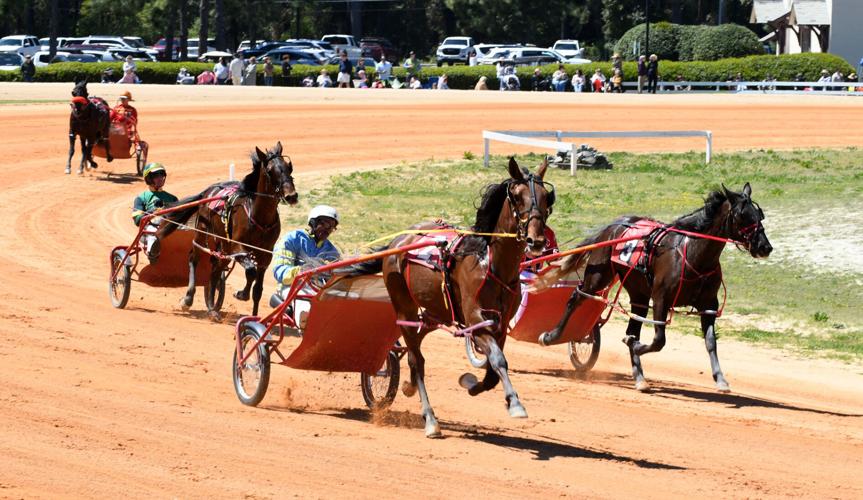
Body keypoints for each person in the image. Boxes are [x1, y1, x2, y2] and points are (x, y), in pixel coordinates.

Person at [272, 205, 341, 323]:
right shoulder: (292, 239)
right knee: (307, 312)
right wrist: (303, 270)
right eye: (325, 224)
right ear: (313, 222)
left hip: (318, 290)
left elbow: (337, 277)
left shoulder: (331, 250)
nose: (328, 230)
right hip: (292, 287)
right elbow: (279, 271)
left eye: (332, 227)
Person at [132, 163, 178, 263]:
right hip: (149, 231)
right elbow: (137, 220)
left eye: (161, 175)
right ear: (148, 179)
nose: (160, 178)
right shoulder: (141, 198)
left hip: (169, 228)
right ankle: (152, 254)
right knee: (154, 227)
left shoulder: (172, 198)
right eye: (156, 175)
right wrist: (152, 212)